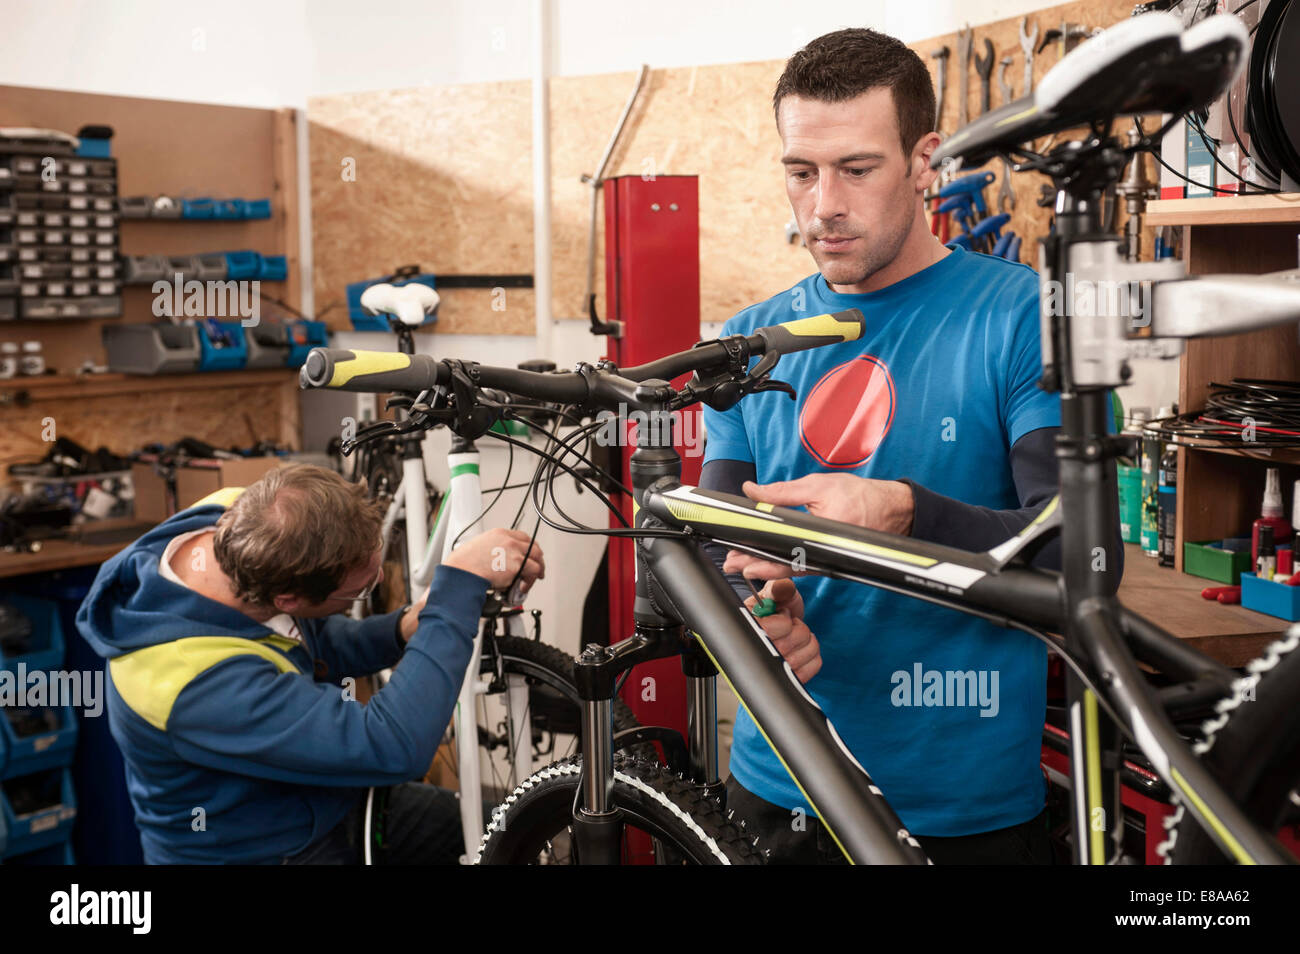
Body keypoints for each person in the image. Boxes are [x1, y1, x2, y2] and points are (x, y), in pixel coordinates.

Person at [701, 27, 1121, 864]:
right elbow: (713, 535)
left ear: (924, 160)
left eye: (857, 169)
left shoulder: (1026, 317)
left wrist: (904, 513)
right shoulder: (750, 340)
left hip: (961, 813)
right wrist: (752, 607)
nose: (824, 204)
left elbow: (1080, 549)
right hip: (779, 785)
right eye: (801, 171)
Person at [76, 463, 544, 864]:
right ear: (287, 596)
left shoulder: (242, 517)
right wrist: (456, 590)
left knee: (511, 828)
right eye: (359, 591)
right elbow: (390, 746)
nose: (377, 582)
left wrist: (399, 629)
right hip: (260, 851)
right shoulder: (192, 682)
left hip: (328, 800)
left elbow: (303, 639)